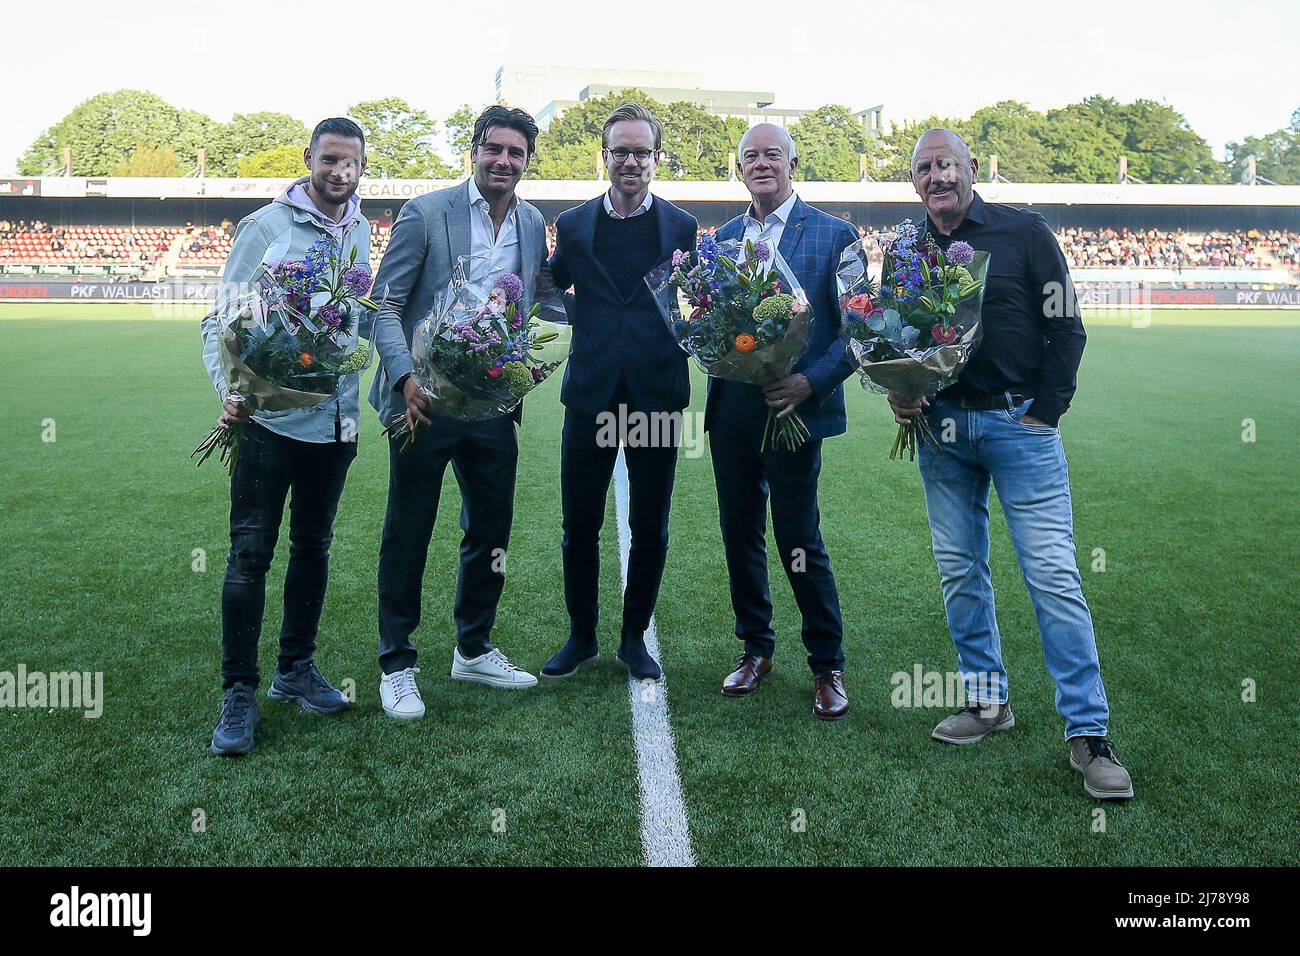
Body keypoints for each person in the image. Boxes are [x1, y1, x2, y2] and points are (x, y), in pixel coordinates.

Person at [888, 128, 1133, 800]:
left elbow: (1067, 325)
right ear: (913, 181)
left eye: (949, 165)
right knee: (961, 570)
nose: (938, 176)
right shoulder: (906, 246)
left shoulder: (1025, 233)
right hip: (941, 432)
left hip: (1019, 427)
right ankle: (988, 703)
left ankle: (1089, 734)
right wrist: (900, 395)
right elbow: (891, 340)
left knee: (1052, 575)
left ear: (970, 170)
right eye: (924, 168)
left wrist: (1046, 411)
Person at [369, 106, 555, 719]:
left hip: (492, 407)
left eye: (516, 153)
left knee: (490, 530)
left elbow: (536, 300)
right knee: (409, 529)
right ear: (473, 151)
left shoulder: (531, 221)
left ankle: (472, 646)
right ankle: (397, 663)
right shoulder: (426, 213)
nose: (504, 161)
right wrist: (403, 379)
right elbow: (385, 305)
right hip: (423, 404)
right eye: (493, 149)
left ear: (528, 161)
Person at [199, 118, 371, 756]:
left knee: (314, 546)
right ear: (310, 160)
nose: (340, 173)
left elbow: (349, 319)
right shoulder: (266, 227)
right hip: (270, 424)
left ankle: (294, 669)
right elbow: (224, 319)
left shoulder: (358, 228)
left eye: (350, 163)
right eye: (330, 161)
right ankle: (238, 690)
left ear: (361, 167)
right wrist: (232, 392)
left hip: (335, 423)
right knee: (250, 556)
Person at [540, 104, 699, 682]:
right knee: (578, 523)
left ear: (656, 159)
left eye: (641, 152)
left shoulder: (682, 227)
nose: (631, 161)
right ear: (605, 157)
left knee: (650, 524)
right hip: (590, 392)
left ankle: (634, 639)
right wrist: (588, 322)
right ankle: (581, 637)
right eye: (621, 151)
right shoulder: (575, 224)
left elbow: (697, 301)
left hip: (658, 394)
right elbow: (549, 286)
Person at [705, 123, 859, 720]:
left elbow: (857, 329)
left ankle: (827, 664)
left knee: (799, 537)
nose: (762, 163)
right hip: (734, 412)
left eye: (773, 154)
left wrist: (809, 381)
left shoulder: (834, 235)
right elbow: (709, 323)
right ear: (738, 168)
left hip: (794, 408)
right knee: (739, 533)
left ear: (794, 161)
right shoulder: (722, 240)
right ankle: (756, 648)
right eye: (751, 156)